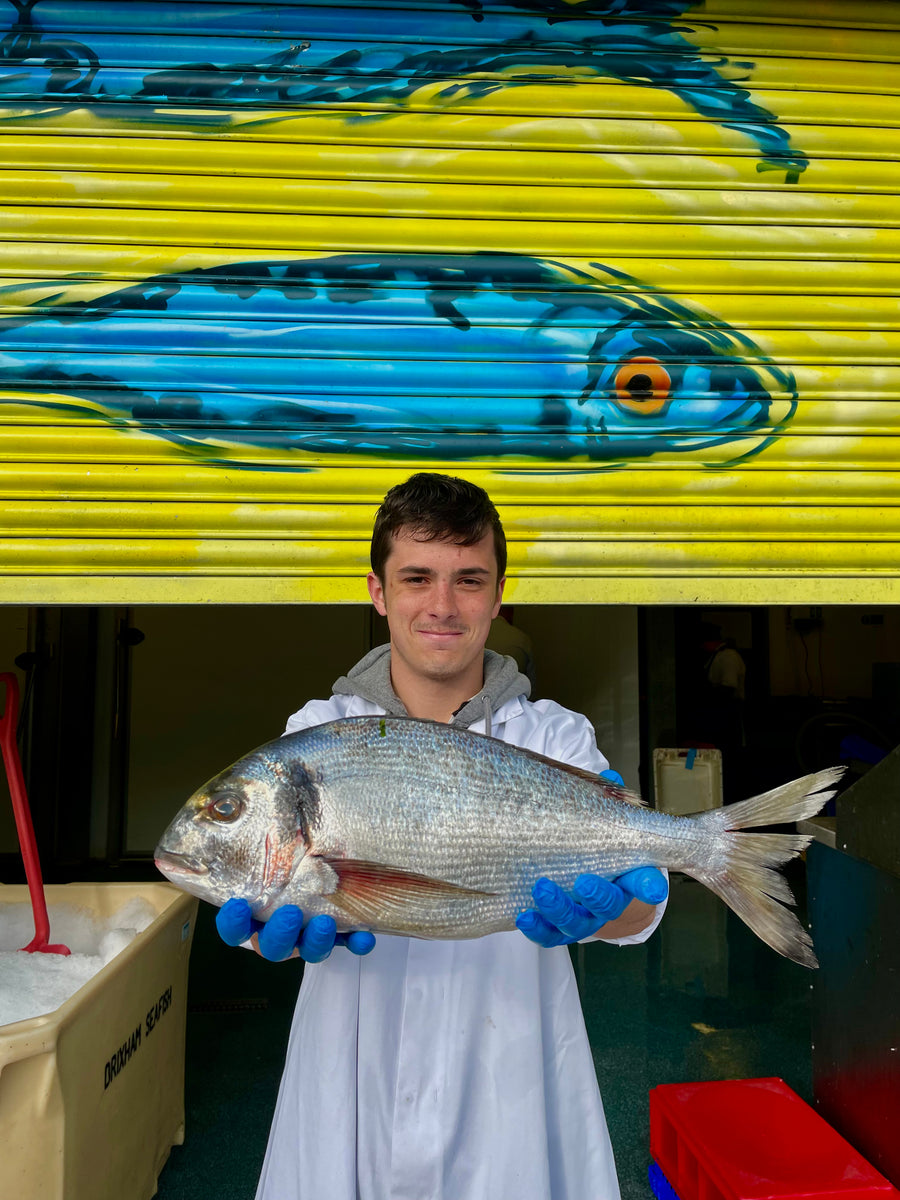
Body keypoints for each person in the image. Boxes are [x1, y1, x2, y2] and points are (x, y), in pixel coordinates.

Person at [216, 472, 668, 1200]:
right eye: (417, 577)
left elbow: (644, 906)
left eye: (469, 580)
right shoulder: (314, 737)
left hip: (511, 1070)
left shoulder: (553, 737)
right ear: (377, 591)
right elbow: (271, 890)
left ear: (497, 595)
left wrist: (613, 908)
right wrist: (262, 925)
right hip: (351, 1071)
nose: (442, 605)